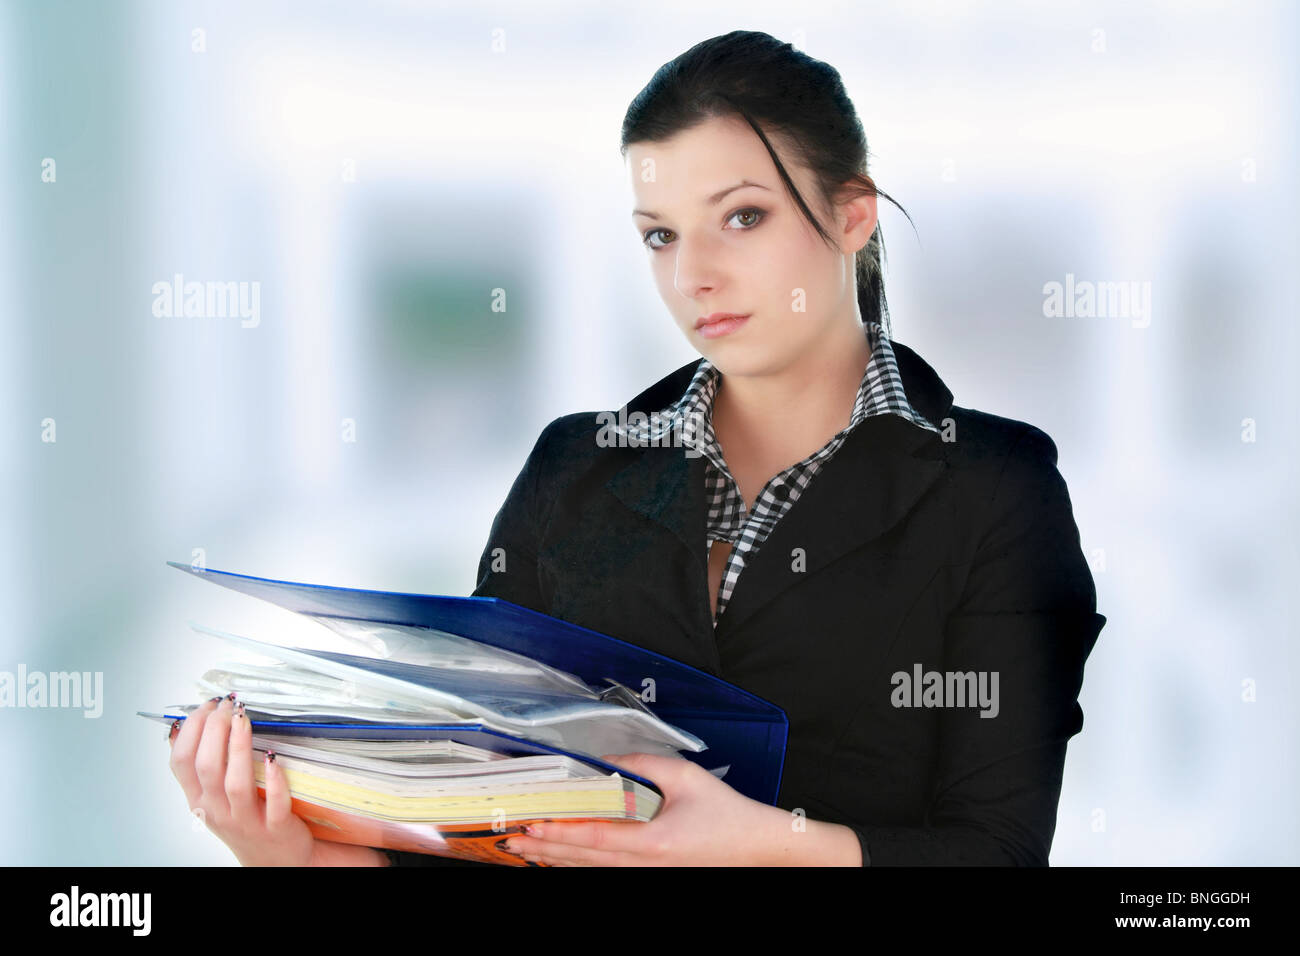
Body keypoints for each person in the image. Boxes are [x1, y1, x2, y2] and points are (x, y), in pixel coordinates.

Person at [168, 30, 1105, 867]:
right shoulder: (575, 471)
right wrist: (292, 855)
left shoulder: (994, 490)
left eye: (743, 217)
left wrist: (762, 846)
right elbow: (480, 830)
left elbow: (1000, 849)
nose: (693, 275)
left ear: (851, 216)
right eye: (661, 236)